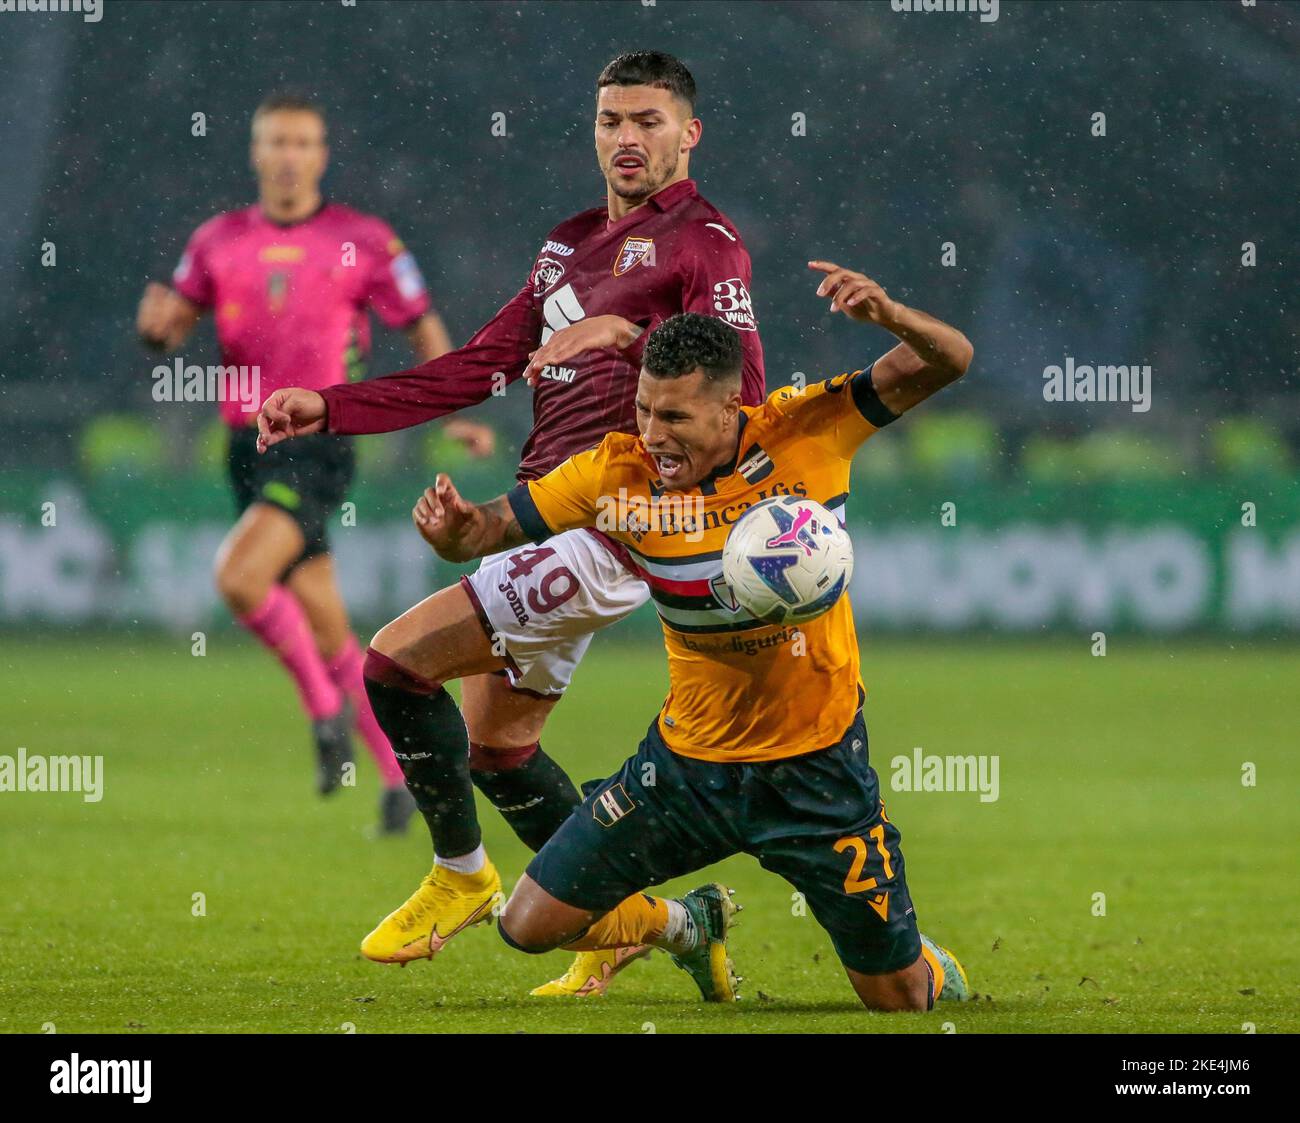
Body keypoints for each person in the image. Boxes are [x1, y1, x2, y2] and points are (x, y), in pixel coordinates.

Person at [256, 53, 765, 994]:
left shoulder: (707, 244)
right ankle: (665, 922)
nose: (626, 137)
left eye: (649, 121)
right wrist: (331, 406)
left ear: (688, 134)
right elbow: (479, 365)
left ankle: (459, 874)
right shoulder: (567, 246)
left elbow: (748, 403)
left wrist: (626, 337)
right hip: (544, 519)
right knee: (498, 751)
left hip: (616, 521)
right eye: (611, 119)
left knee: (395, 665)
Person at [407, 264, 973, 1011]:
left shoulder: (807, 429)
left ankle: (924, 961)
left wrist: (892, 311)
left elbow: (949, 359)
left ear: (730, 405)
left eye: (674, 417)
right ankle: (688, 924)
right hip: (685, 770)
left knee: (899, 999)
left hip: (814, 772)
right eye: (644, 409)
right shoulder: (617, 473)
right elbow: (487, 526)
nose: (652, 433)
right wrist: (453, 532)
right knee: (529, 923)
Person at [136, 93, 485, 834]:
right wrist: (157, 333)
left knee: (238, 575)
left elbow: (421, 324)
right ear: (256, 153)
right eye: (275, 142)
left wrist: (454, 413)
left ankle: (324, 717)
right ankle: (399, 782)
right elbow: (171, 324)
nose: (289, 155)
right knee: (330, 627)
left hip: (318, 439)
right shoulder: (217, 240)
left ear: (321, 155)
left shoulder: (363, 239)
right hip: (245, 445)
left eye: (303, 142)